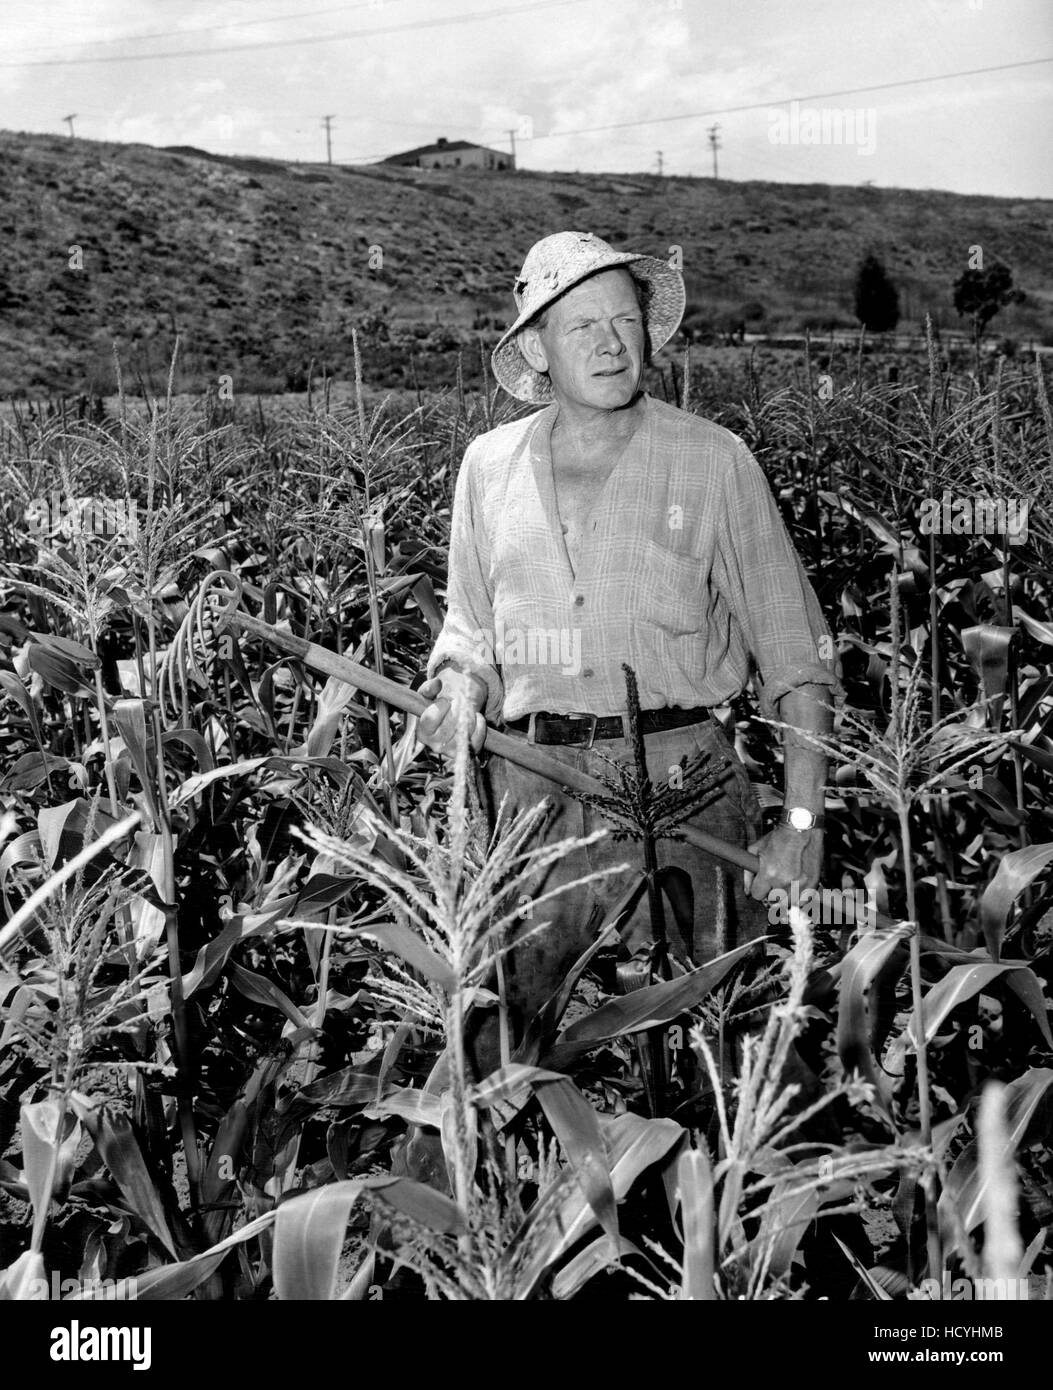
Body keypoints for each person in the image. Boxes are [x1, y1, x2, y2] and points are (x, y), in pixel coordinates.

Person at [417, 230, 841, 1071]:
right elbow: (468, 630)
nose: (612, 344)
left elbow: (798, 653)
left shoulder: (711, 460)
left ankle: (759, 1194)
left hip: (685, 782)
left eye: (625, 321)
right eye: (583, 327)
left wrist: (799, 822)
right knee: (500, 1044)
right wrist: (460, 690)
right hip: (532, 790)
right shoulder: (486, 467)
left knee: (737, 1039)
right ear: (534, 348)